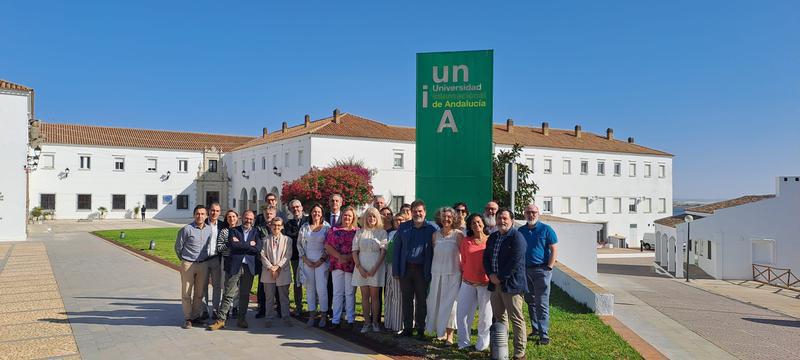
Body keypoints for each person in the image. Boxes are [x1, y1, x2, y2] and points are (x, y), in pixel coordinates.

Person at [483, 209, 528, 360]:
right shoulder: (493, 237)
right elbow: (486, 258)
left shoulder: (517, 237)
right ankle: (502, 352)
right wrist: (491, 275)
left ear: (512, 220)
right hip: (494, 284)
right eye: (499, 218)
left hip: (511, 285)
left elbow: (515, 260)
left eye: (505, 218)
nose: (502, 221)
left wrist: (501, 277)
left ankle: (519, 353)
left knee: (516, 318)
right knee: (499, 318)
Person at [209, 209, 263, 329]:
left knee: (244, 294)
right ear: (242, 218)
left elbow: (258, 248)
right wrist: (249, 245)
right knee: (228, 293)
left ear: (253, 220)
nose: (248, 220)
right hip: (234, 266)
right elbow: (233, 246)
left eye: (250, 218)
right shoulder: (233, 230)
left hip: (249, 267)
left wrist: (242, 246)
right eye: (246, 218)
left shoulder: (256, 232)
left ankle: (241, 319)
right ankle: (221, 320)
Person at [392, 200, 436, 340]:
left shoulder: (431, 229)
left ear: (425, 212)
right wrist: (396, 270)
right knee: (406, 299)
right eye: (415, 211)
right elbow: (397, 249)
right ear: (411, 212)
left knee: (422, 300)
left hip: (422, 270)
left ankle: (421, 328)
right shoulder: (404, 227)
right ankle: (407, 328)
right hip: (406, 269)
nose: (418, 213)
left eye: (420, 211)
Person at [518, 204, 558, 345]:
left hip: (542, 271)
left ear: (538, 213)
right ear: (524, 214)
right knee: (530, 301)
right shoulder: (521, 230)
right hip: (525, 271)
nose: (531, 215)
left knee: (542, 303)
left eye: (533, 212)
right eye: (528, 212)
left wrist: (549, 267)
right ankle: (535, 328)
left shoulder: (546, 229)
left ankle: (544, 335)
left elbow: (553, 249)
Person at [426, 207, 462, 344]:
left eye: (449, 217)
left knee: (451, 306)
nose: (446, 219)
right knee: (437, 304)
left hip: (453, 274)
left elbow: (463, 256)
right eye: (444, 216)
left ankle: (450, 336)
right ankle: (440, 332)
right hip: (436, 274)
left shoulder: (458, 235)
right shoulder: (435, 235)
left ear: (454, 219)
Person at [456, 213, 492, 351]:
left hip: (486, 284)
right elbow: (463, 261)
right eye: (473, 223)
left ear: (483, 223)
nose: (476, 225)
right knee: (462, 314)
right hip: (468, 283)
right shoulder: (466, 241)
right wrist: (468, 274)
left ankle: (482, 344)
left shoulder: (490, 240)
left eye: (478, 222)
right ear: (470, 226)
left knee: (485, 316)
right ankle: (463, 343)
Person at [175, 205, 212, 329]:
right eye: (197, 213)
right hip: (188, 264)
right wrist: (184, 260)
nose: (200, 216)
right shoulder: (187, 229)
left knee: (199, 293)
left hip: (203, 264)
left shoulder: (209, 229)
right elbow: (178, 247)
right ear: (194, 215)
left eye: (202, 214)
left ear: (206, 216)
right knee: (186, 292)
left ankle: (196, 316)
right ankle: (188, 318)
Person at [352, 207, 388, 333]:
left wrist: (375, 269)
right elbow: (354, 251)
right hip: (362, 267)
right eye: (369, 216)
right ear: (365, 218)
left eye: (374, 216)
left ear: (377, 218)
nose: (371, 218)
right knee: (364, 297)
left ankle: (375, 323)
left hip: (376, 268)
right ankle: (366, 323)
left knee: (375, 297)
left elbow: (383, 252)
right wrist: (359, 267)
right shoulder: (359, 232)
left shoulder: (382, 232)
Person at [298, 203, 331, 327]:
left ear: (322, 213)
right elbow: (299, 244)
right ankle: (312, 315)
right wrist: (305, 259)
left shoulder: (327, 227)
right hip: (307, 261)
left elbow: (329, 245)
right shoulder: (305, 227)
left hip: (322, 261)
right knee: (310, 289)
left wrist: (321, 260)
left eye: (318, 211)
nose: (316, 214)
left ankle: (323, 316)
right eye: (314, 211)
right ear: (311, 213)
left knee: (322, 289)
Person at [324, 205, 358, 329]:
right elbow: (327, 246)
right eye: (345, 215)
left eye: (349, 215)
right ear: (341, 216)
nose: (347, 217)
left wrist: (347, 257)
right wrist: (340, 257)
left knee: (350, 293)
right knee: (337, 293)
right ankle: (336, 320)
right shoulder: (334, 230)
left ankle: (350, 319)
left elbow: (358, 249)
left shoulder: (357, 231)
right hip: (337, 264)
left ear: (353, 217)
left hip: (351, 265)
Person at [261, 217, 293, 327]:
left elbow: (287, 255)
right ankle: (268, 318)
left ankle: (286, 317)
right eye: (274, 225)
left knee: (284, 297)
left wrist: (278, 267)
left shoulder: (288, 240)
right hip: (268, 272)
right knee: (269, 297)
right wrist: (271, 267)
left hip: (282, 271)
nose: (276, 227)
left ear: (282, 226)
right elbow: (262, 255)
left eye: (279, 225)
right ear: (270, 226)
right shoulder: (264, 240)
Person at [201, 203, 227, 321]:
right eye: (212, 210)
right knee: (202, 285)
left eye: (217, 211)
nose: (214, 213)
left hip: (216, 259)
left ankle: (215, 309)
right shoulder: (202, 223)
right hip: (203, 260)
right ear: (208, 211)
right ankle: (204, 310)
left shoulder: (222, 225)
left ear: (220, 212)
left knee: (217, 286)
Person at [283, 199, 307, 317]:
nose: (295, 209)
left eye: (297, 207)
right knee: (298, 282)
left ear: (302, 208)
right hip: (296, 257)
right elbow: (289, 237)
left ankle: (316, 307)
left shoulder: (309, 220)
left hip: (310, 257)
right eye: (293, 208)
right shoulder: (288, 224)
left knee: (314, 282)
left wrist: (296, 235)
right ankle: (299, 306)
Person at [383, 214, 405, 333]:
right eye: (396, 220)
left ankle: (397, 326)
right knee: (389, 295)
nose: (398, 222)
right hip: (389, 265)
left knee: (397, 297)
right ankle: (388, 323)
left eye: (401, 220)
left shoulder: (405, 233)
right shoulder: (391, 234)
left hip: (398, 267)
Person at [255, 205, 277, 318]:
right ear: (263, 215)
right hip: (263, 262)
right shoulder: (259, 228)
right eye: (267, 214)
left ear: (275, 214)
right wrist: (266, 261)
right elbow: (258, 245)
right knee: (262, 286)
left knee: (279, 285)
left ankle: (280, 309)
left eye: (271, 213)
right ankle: (262, 309)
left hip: (277, 262)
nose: (269, 215)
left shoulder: (279, 227)